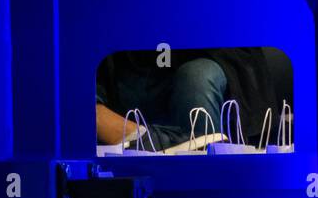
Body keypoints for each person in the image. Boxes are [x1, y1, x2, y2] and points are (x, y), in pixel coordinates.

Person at [95, 48, 278, 150]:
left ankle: (206, 193)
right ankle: (139, 137)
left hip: (208, 53)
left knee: (196, 78)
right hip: (128, 64)